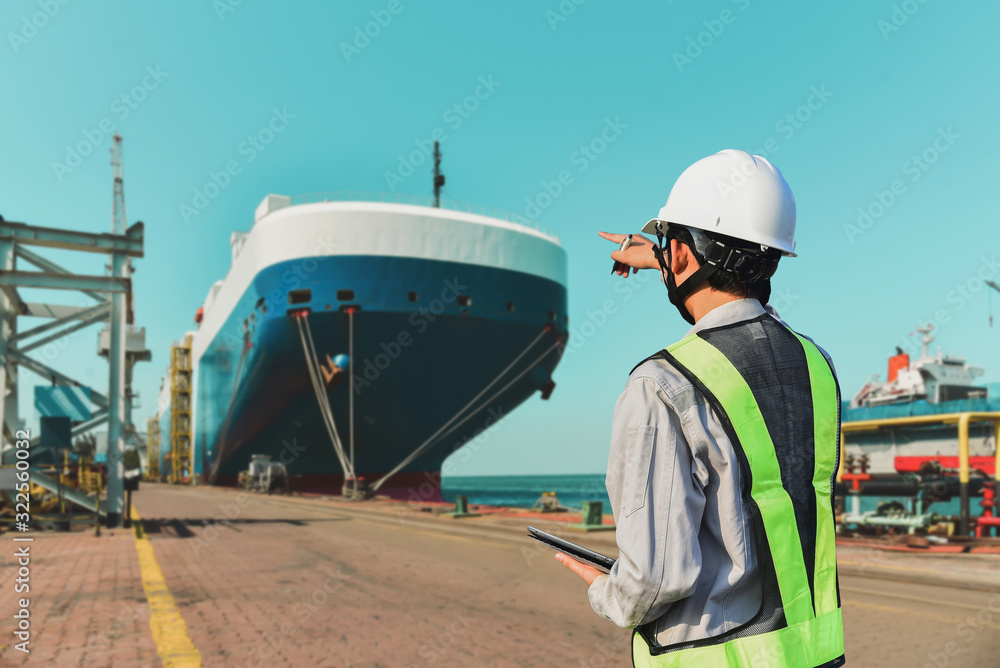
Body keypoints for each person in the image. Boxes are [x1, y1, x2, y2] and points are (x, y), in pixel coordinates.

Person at [556, 150, 845, 668]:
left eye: (670, 247)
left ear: (684, 258)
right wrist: (668, 255)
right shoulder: (817, 365)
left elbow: (653, 579)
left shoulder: (662, 384)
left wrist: (607, 591)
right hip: (813, 653)